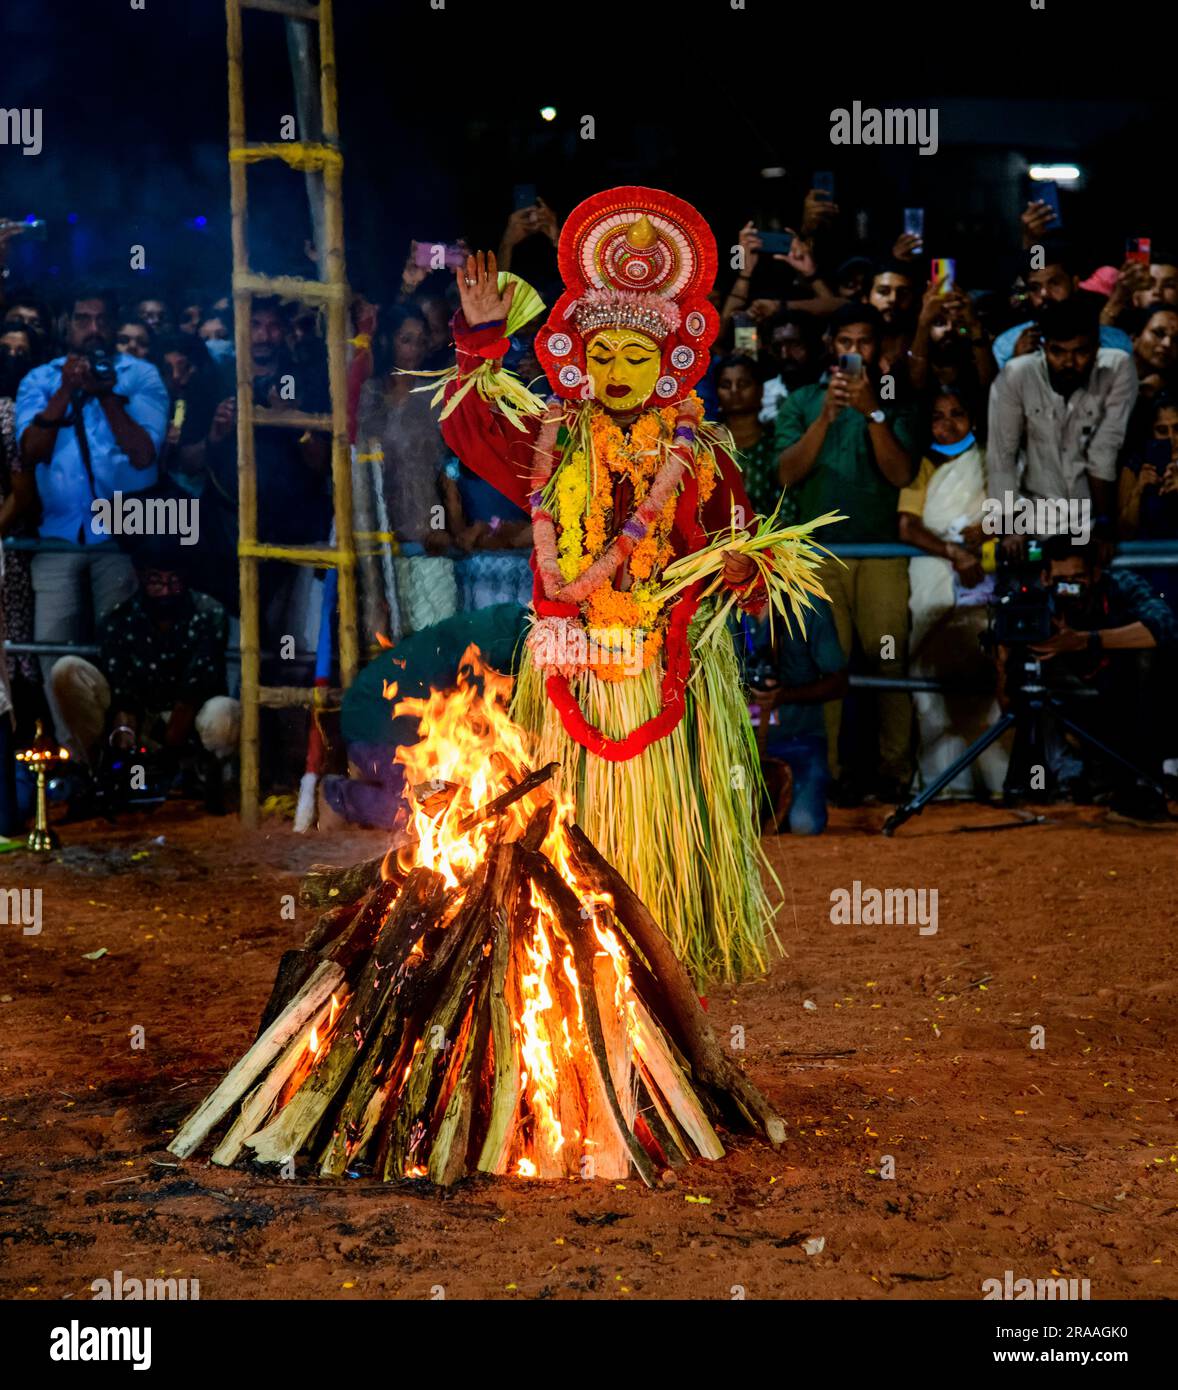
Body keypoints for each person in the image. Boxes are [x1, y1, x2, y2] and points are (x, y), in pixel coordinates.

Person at [440, 187, 825, 983]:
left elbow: (745, 548)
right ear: (579, 359)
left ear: (669, 360)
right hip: (572, 671)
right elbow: (471, 428)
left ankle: (667, 969)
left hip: (664, 672)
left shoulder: (699, 450)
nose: (618, 373)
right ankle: (568, 964)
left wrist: (744, 567)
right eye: (604, 355)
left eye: (636, 357)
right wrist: (480, 339)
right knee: (570, 842)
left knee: (662, 863)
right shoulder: (552, 440)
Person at [775, 300, 918, 801]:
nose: (854, 351)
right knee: (823, 671)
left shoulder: (896, 400)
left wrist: (872, 411)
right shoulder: (802, 401)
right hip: (818, 555)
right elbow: (787, 474)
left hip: (880, 553)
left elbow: (901, 475)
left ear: (878, 350)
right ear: (830, 347)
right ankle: (825, 777)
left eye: (864, 342)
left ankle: (896, 777)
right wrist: (827, 419)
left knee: (889, 660)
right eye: (845, 342)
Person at [14, 288, 169, 743]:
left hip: (121, 531)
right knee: (51, 647)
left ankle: (122, 748)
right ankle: (81, 759)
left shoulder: (140, 376)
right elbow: (30, 453)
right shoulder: (40, 379)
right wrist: (65, 390)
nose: (94, 329)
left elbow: (144, 455)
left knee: (121, 649)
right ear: (68, 325)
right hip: (56, 533)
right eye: (84, 319)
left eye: (102, 320)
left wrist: (105, 396)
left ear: (115, 324)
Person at [48, 535, 239, 811]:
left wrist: (164, 757)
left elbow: (195, 688)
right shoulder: (118, 618)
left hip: (189, 719)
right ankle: (95, 770)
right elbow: (123, 692)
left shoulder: (209, 612)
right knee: (66, 669)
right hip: (140, 718)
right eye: (156, 581)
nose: (165, 591)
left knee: (225, 713)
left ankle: (202, 774)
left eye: (173, 581)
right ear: (139, 577)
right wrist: (125, 741)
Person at [1009, 536, 1177, 821]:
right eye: (1062, 580)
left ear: (1095, 574)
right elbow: (1009, 686)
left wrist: (1086, 641)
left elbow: (1164, 626)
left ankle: (1147, 780)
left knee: (1150, 657)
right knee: (1034, 679)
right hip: (1070, 702)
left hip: (1127, 695)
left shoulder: (1119, 585)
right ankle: (1053, 781)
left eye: (1079, 578)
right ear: (1045, 577)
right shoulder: (1035, 602)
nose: (1071, 588)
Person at [897, 386, 1008, 798]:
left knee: (990, 672)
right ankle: (947, 787)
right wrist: (953, 552)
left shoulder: (994, 463)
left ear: (973, 421)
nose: (948, 425)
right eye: (938, 417)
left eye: (957, 414)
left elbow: (1018, 510)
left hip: (986, 579)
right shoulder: (921, 465)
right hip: (934, 577)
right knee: (932, 677)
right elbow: (907, 526)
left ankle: (998, 783)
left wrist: (989, 529)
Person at [987, 296, 1137, 541]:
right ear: (1044, 348)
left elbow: (1104, 451)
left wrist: (1103, 524)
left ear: (1097, 348)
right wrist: (1010, 525)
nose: (1069, 362)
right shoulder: (1016, 374)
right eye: (1058, 351)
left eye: (1080, 352)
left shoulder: (1118, 368)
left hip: (1091, 514)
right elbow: (1002, 455)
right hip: (1032, 518)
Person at [356, 303, 459, 633]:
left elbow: (450, 468)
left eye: (420, 340)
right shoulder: (369, 394)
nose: (414, 349)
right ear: (389, 341)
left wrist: (448, 525)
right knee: (378, 633)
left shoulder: (436, 395)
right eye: (405, 340)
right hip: (373, 524)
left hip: (426, 526)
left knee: (431, 630)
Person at [741, 601, 847, 836]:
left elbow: (839, 682)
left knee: (806, 823)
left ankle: (784, 808)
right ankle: (766, 806)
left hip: (799, 742)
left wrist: (785, 695)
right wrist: (743, 693)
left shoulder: (808, 605)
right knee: (733, 824)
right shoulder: (720, 605)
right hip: (739, 747)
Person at [994, 245, 1132, 369]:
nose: (1044, 294)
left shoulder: (1115, 342)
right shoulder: (1006, 345)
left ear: (1075, 283)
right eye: (1035, 288)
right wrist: (1016, 364)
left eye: (1054, 283)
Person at [715, 353, 794, 521]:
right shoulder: (708, 444)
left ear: (760, 390)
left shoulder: (775, 442)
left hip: (771, 541)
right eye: (726, 385)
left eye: (743, 384)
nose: (734, 391)